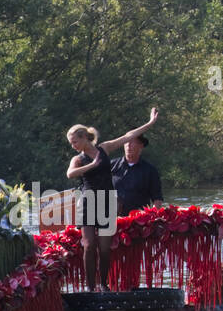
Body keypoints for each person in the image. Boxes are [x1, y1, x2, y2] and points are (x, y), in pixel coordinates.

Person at [65, 107, 159, 291]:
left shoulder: (104, 149)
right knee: (89, 246)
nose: (73, 146)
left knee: (105, 247)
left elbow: (127, 136)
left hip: (107, 201)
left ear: (85, 138)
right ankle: (91, 288)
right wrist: (91, 165)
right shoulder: (78, 159)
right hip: (88, 201)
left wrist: (150, 123)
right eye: (71, 143)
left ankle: (104, 284)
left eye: (75, 141)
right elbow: (70, 174)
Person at [111, 135, 163, 216]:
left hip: (139, 220)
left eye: (132, 142)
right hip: (113, 219)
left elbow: (157, 198)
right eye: (126, 142)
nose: (128, 145)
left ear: (141, 146)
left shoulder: (150, 170)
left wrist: (154, 218)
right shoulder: (111, 166)